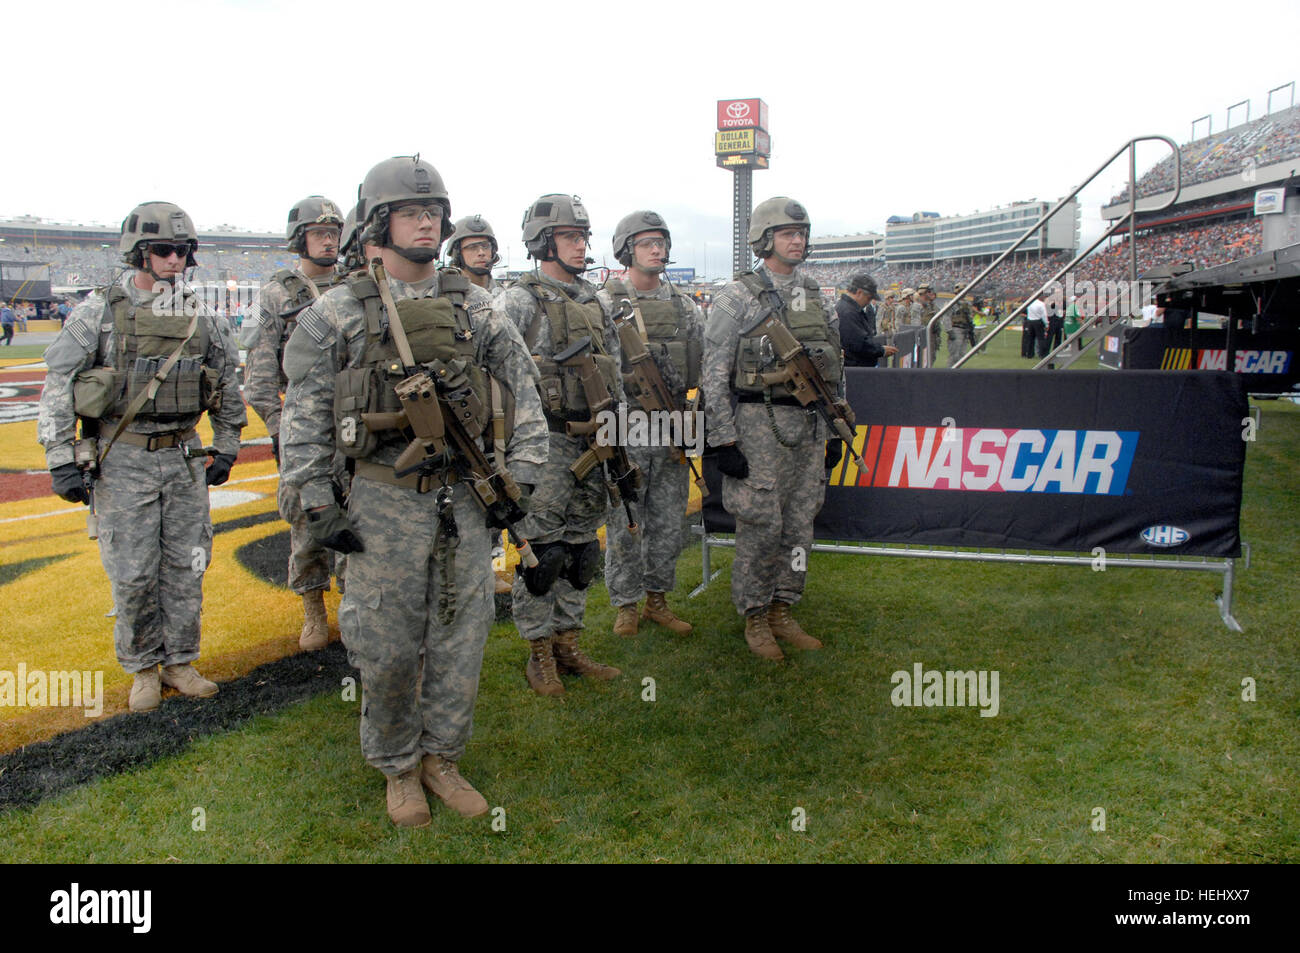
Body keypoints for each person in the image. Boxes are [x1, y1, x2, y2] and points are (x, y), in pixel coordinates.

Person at [279, 155, 547, 827]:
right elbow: (304, 419)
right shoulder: (336, 315)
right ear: (379, 221)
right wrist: (315, 504)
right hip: (379, 500)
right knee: (386, 641)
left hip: (465, 497)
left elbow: (524, 398)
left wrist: (525, 477)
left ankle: (443, 756)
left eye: (433, 211)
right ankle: (398, 765)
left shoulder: (476, 305)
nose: (426, 220)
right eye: (410, 211)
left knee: (463, 634)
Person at [36, 201, 246, 712]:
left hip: (183, 456)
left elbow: (227, 384)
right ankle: (142, 668)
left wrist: (228, 444)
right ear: (140, 253)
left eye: (183, 251)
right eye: (165, 250)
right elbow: (60, 382)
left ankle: (179, 660)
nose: (176, 259)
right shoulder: (100, 312)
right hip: (123, 459)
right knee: (132, 571)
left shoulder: (203, 317)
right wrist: (61, 456)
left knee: (187, 564)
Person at [702, 196, 849, 660]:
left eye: (802, 233)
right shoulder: (736, 296)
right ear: (764, 239)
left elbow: (835, 367)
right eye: (788, 233)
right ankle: (755, 615)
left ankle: (785, 605)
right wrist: (723, 439)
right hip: (757, 425)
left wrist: (835, 428)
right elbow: (713, 371)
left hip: (807, 428)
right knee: (762, 526)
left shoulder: (813, 293)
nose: (797, 240)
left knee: (800, 525)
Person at [494, 194, 628, 696]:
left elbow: (615, 369)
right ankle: (538, 652)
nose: (581, 246)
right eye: (571, 237)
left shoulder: (595, 300)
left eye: (583, 237)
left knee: (579, 548)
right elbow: (499, 376)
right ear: (543, 242)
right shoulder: (518, 299)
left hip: (594, 441)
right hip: (546, 442)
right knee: (542, 551)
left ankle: (569, 642)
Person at [243, 195, 345, 652]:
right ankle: (313, 608)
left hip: (354, 423)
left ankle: (356, 603)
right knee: (306, 520)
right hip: (303, 424)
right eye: (319, 233)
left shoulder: (356, 285)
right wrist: (277, 426)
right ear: (299, 239)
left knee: (358, 512)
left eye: (334, 232)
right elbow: (261, 372)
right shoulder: (278, 293)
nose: (329, 241)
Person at [598, 210, 703, 638]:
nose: (657, 249)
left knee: (667, 519)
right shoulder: (604, 304)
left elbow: (700, 364)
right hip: (623, 424)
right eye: (647, 243)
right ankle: (625, 603)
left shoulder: (683, 304)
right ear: (627, 250)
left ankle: (658, 599)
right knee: (625, 518)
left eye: (661, 242)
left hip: (675, 420)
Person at [838, 272, 897, 367]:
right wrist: (881, 350)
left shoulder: (849, 308)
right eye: (868, 298)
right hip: (855, 369)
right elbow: (857, 343)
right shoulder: (848, 312)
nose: (869, 302)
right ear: (859, 292)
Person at [444, 215, 501, 293]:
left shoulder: (506, 295)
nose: (481, 252)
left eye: (485, 246)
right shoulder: (445, 294)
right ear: (457, 254)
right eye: (472, 247)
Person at [946, 282, 977, 367]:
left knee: (962, 354)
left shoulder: (967, 304)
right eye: (962, 291)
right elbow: (946, 317)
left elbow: (970, 317)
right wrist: (949, 330)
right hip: (956, 329)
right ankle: (950, 372)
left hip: (965, 330)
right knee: (954, 355)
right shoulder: (951, 303)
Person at [1025, 290, 1049, 358]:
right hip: (1038, 322)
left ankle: (1029, 354)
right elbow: (1044, 315)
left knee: (1030, 339)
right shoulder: (1041, 304)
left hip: (1030, 321)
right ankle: (1042, 354)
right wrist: (1046, 324)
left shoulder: (1028, 303)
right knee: (1041, 339)